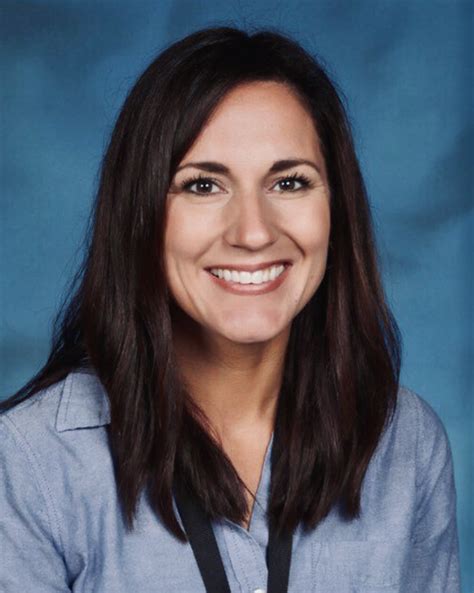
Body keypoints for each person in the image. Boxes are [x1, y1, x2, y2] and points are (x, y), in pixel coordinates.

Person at [0, 26, 461, 593]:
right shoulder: (28, 462)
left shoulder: (405, 441)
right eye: (202, 186)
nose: (252, 232)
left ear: (337, 209)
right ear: (140, 213)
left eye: (290, 182)